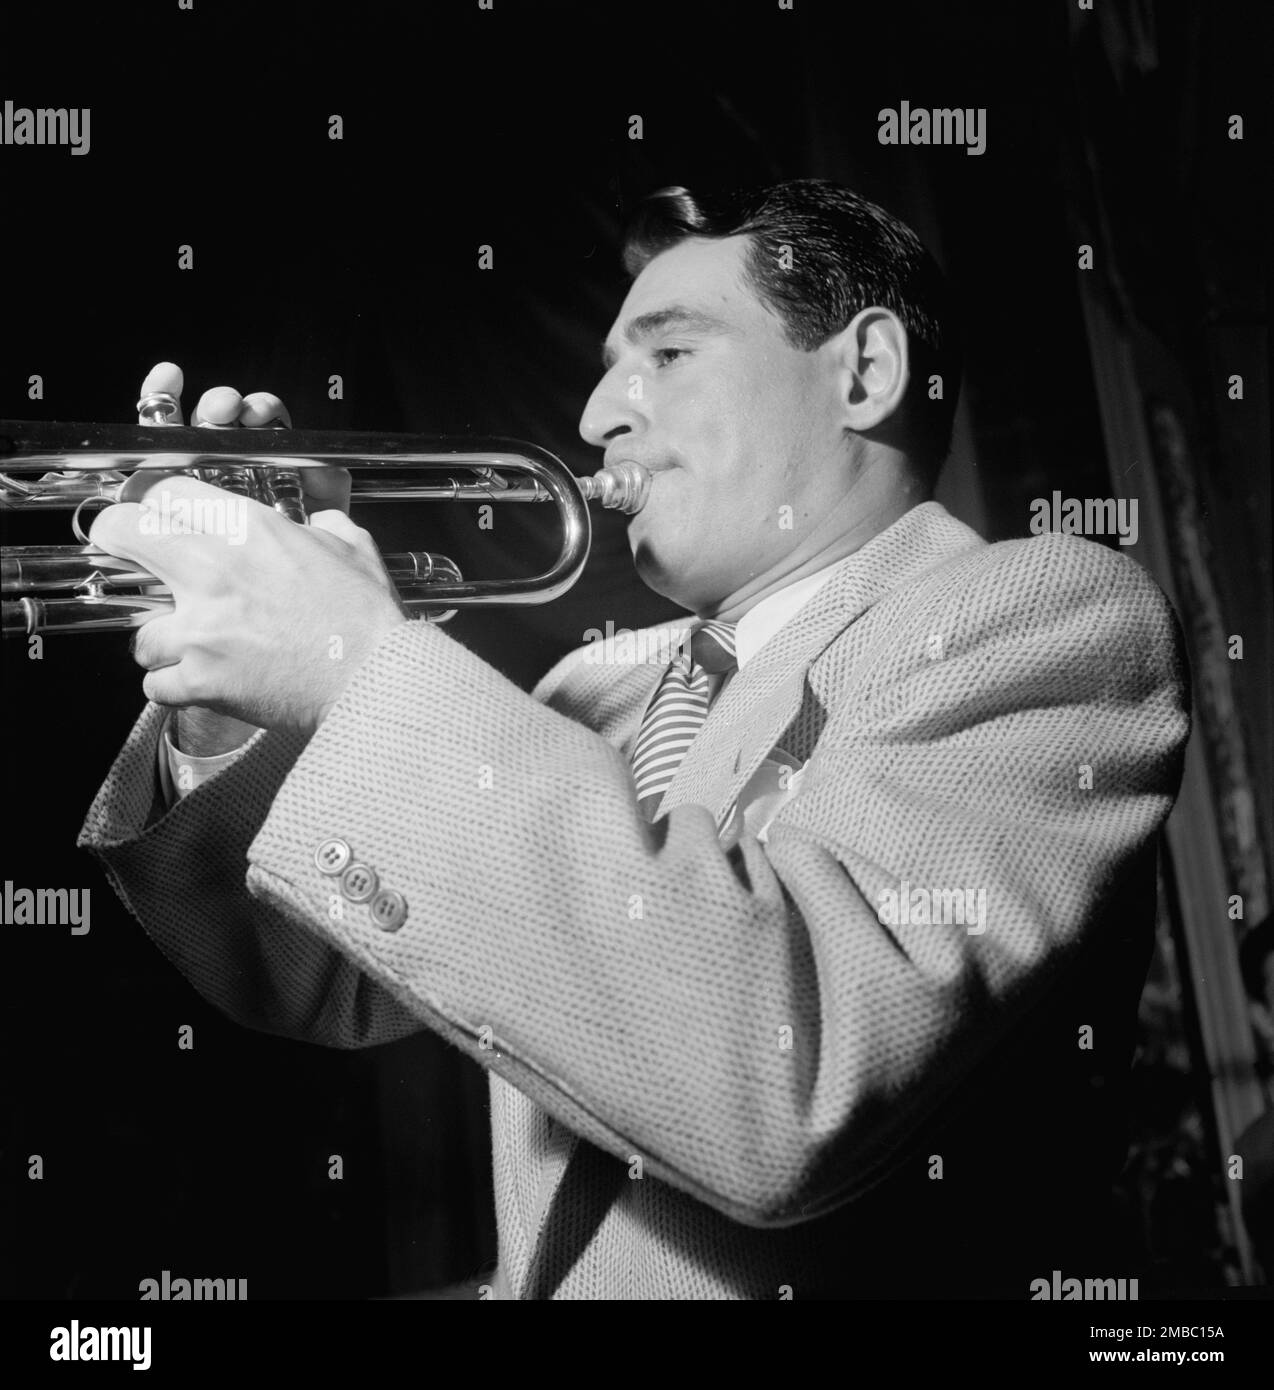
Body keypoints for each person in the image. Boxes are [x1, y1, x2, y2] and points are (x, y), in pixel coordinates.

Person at [79, 180, 1190, 1299]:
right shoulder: (592, 687)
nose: (594, 416)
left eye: (665, 354)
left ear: (864, 373)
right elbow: (304, 976)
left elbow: (794, 1068)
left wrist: (354, 668)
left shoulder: (1043, 614)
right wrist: (231, 698)